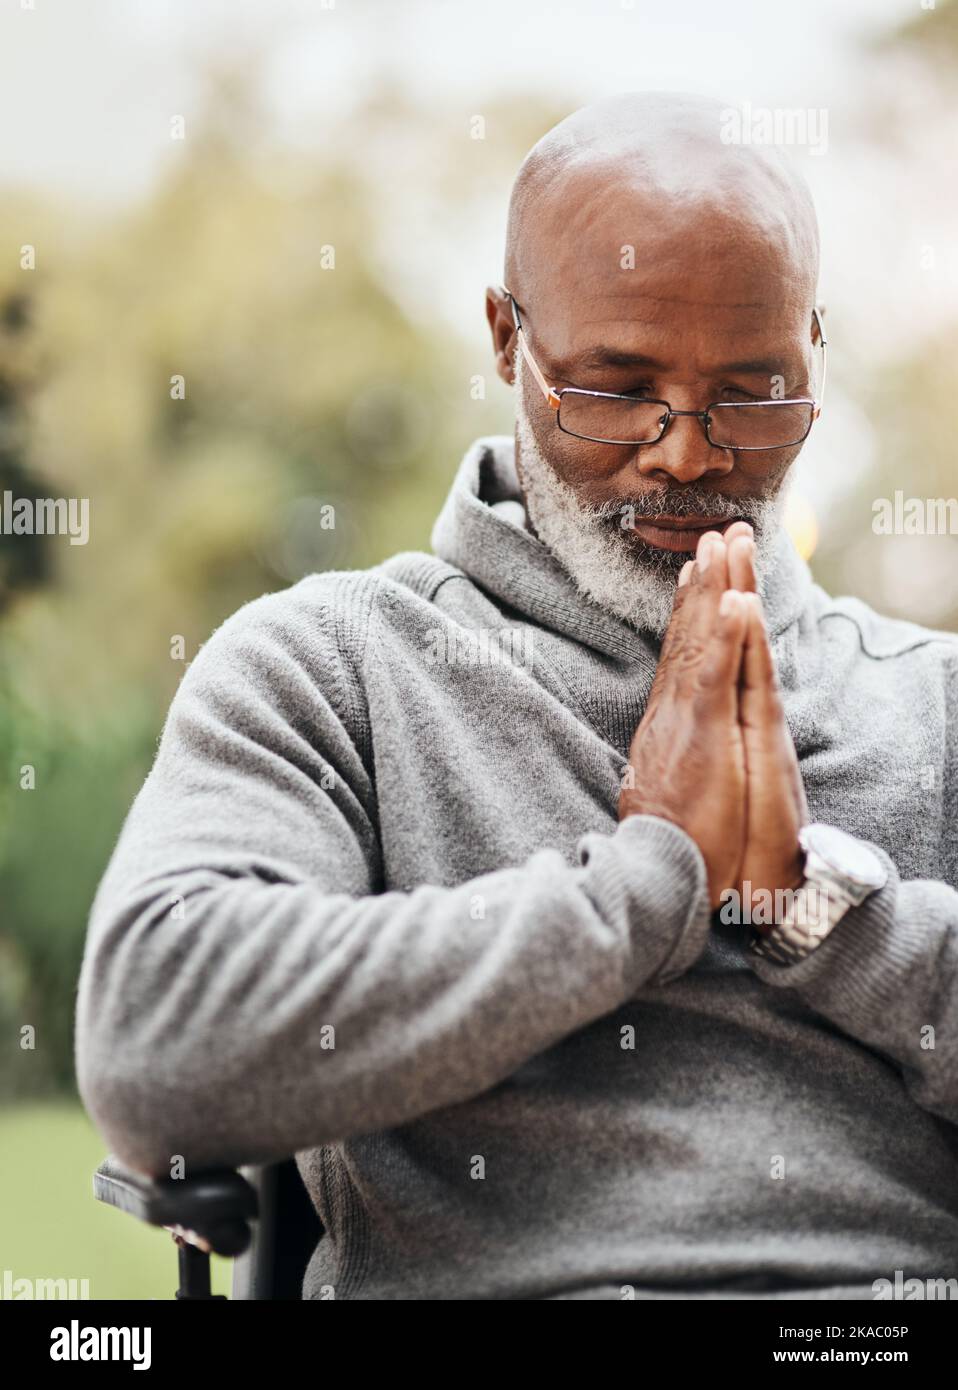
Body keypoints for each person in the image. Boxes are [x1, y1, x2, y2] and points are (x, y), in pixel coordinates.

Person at [75, 91, 958, 1301]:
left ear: (816, 345)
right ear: (505, 338)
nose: (688, 453)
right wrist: (646, 885)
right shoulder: (334, 664)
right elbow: (157, 1046)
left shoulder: (934, 703)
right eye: (614, 385)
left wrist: (822, 912)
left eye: (753, 393)